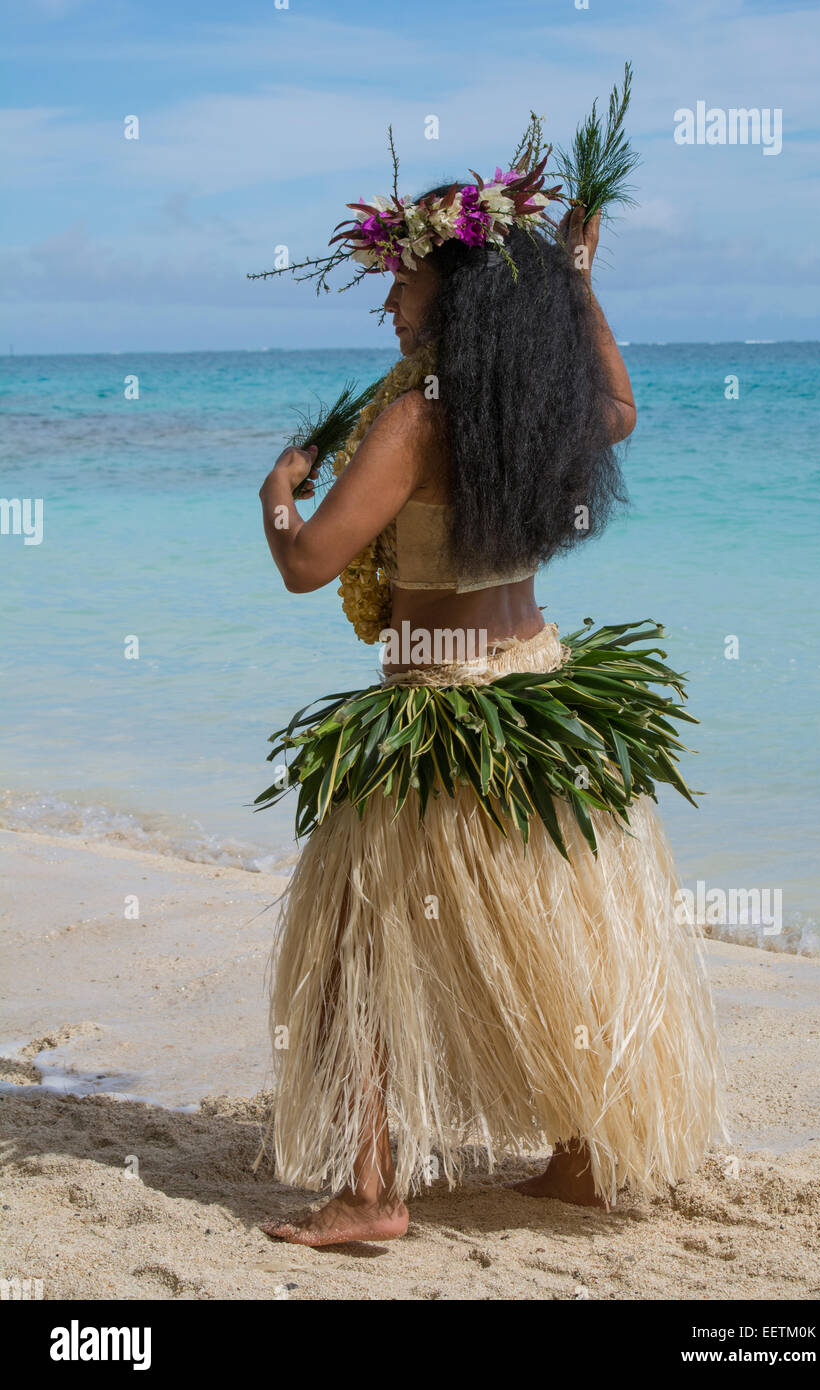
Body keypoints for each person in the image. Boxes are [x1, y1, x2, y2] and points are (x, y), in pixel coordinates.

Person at [255, 157, 727, 1246]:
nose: (388, 302)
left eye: (403, 284)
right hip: (540, 695)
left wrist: (278, 496)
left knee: (363, 944)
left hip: (434, 707)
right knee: (545, 931)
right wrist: (576, 286)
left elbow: (308, 564)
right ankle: (576, 1160)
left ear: (454, 292)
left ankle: (372, 1195)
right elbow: (618, 407)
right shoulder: (531, 403)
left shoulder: (416, 420)